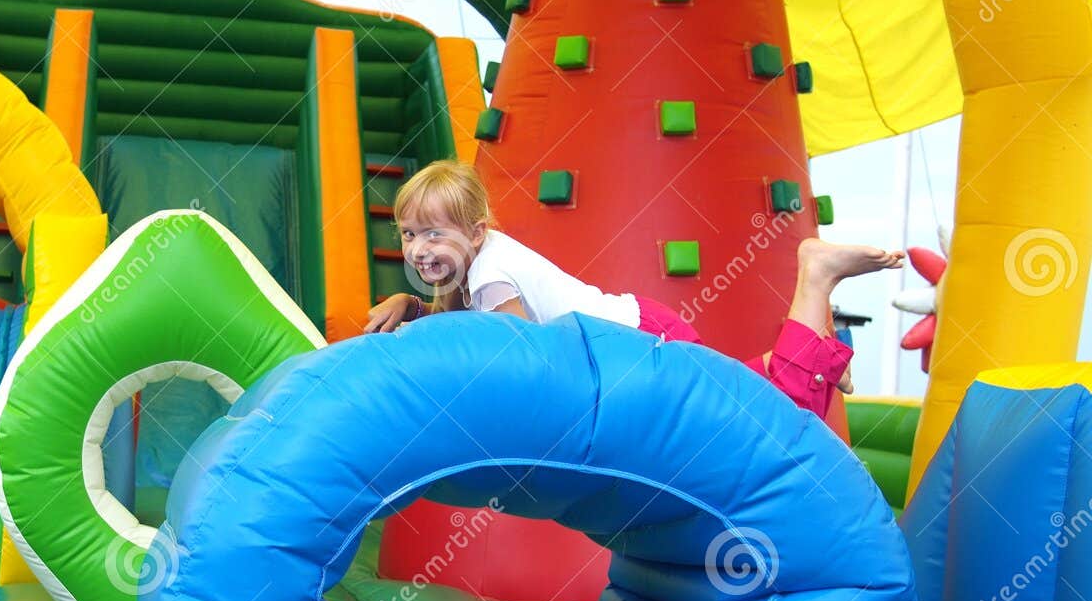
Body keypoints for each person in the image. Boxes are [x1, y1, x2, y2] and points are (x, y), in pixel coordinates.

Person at [363, 159, 903, 420]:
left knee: (769, 418)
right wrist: (407, 303)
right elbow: (453, 314)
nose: (417, 250)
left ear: (476, 233)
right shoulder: (483, 257)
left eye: (434, 234)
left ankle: (816, 277)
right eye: (409, 234)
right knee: (743, 398)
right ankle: (820, 350)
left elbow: (519, 357)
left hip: (642, 351)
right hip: (638, 334)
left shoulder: (491, 277)